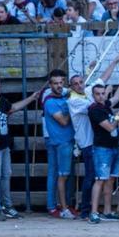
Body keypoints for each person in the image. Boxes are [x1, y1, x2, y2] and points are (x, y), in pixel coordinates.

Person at [0, 75, 41, 222]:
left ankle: (7, 206)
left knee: (6, 175)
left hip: (4, 146)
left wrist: (31, 98)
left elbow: (14, 108)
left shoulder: (2, 101)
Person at [68, 59, 119, 219]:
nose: (80, 85)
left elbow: (105, 82)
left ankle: (103, 211)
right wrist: (115, 112)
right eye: (76, 83)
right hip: (90, 144)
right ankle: (88, 212)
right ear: (71, 87)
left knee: (105, 179)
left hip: (101, 143)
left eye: (81, 82)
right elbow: (108, 121)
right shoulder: (78, 102)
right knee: (94, 178)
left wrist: (117, 68)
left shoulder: (92, 98)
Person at [87, 81, 119, 224]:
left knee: (111, 180)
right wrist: (118, 118)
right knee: (100, 180)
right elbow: (110, 127)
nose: (101, 96)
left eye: (103, 93)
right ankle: (94, 212)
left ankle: (107, 211)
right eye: (98, 94)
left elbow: (117, 98)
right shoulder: (94, 109)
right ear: (93, 95)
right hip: (102, 148)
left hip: (113, 147)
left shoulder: (105, 106)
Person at [42, 69, 75, 218]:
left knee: (62, 174)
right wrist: (72, 105)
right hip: (59, 141)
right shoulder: (50, 101)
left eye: (61, 82)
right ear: (50, 84)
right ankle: (62, 208)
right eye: (55, 83)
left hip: (64, 140)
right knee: (61, 175)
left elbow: (81, 85)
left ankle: (60, 206)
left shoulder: (63, 95)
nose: (59, 85)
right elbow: (63, 121)